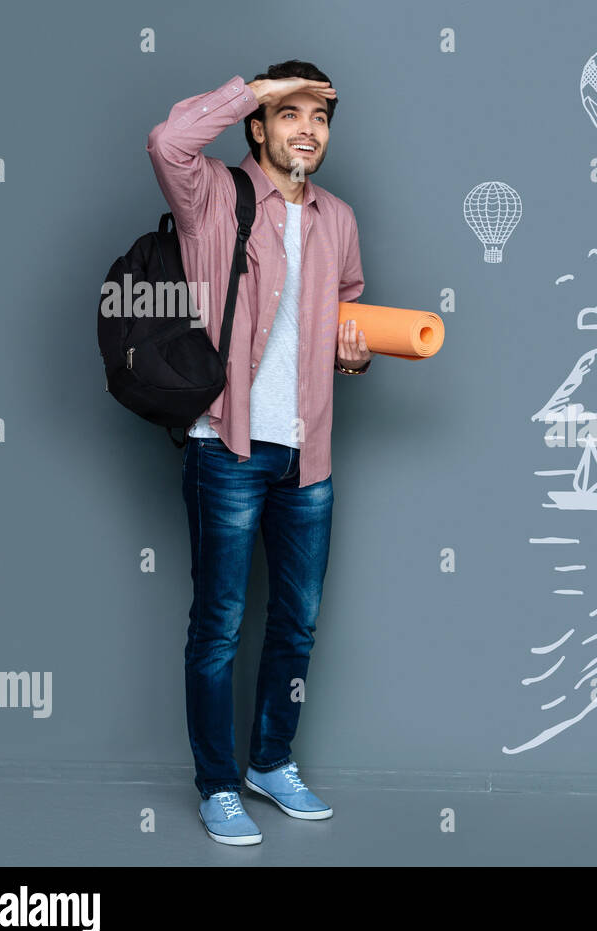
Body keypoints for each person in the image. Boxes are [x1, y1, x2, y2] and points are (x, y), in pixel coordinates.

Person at [146, 60, 371, 845]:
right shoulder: (213, 195)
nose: (307, 128)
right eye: (289, 113)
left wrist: (354, 351)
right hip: (228, 447)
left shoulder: (339, 217)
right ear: (259, 125)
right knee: (220, 625)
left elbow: (347, 310)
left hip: (309, 455)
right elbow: (168, 140)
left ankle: (270, 762)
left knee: (297, 625)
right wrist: (256, 86)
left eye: (320, 117)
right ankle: (216, 784)